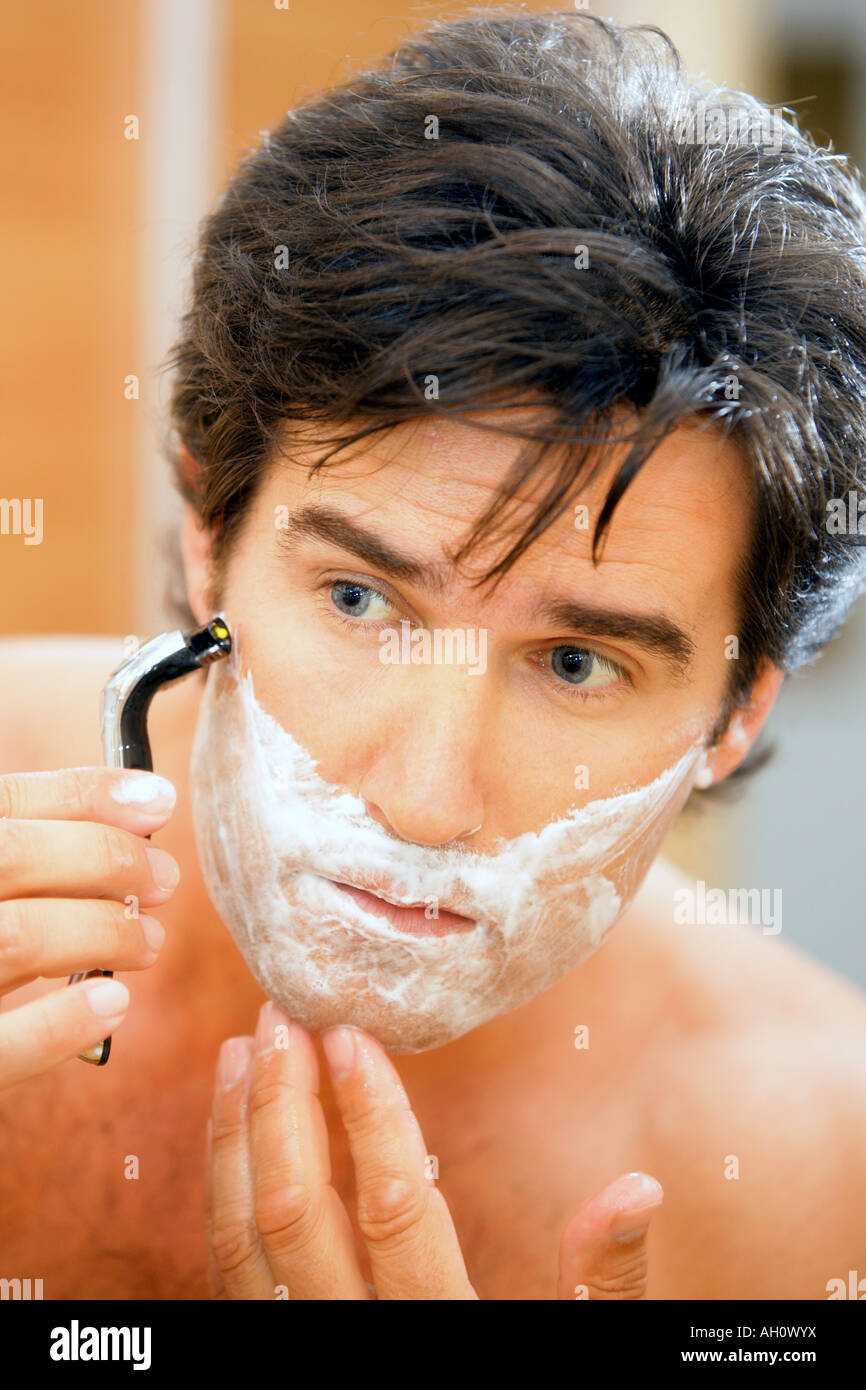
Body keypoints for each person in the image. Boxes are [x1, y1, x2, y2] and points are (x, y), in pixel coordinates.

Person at [1, 8, 865, 1300]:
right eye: (359, 597)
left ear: (735, 710)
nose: (421, 796)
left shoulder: (812, 1170)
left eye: (575, 663)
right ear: (208, 532)